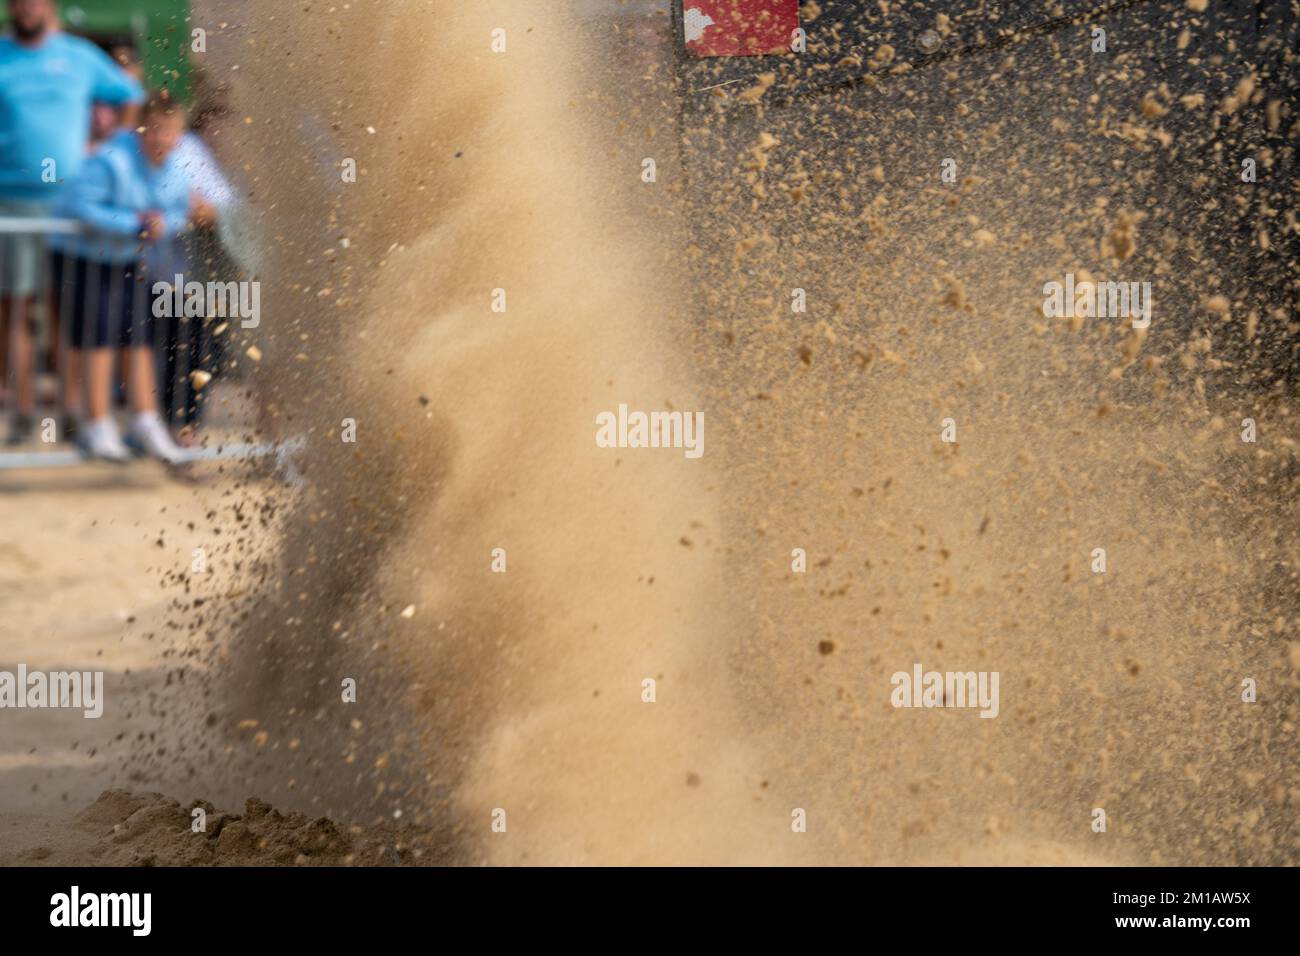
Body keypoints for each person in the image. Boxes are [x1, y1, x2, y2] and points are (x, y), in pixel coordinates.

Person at [0, 0, 143, 445]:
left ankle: (72, 410)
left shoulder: (79, 56)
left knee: (67, 312)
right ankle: (23, 411)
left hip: (68, 208)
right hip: (10, 203)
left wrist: (109, 149)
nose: (28, 7)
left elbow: (131, 97)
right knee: (14, 311)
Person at [53, 92, 191, 464]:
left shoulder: (177, 167)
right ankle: (97, 424)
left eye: (171, 131)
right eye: (156, 131)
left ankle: (146, 420)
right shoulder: (111, 159)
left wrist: (161, 225)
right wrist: (133, 224)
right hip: (82, 255)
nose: (162, 139)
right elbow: (79, 206)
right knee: (98, 339)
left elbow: (180, 211)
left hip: (128, 258)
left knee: (138, 338)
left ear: (180, 134)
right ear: (142, 129)